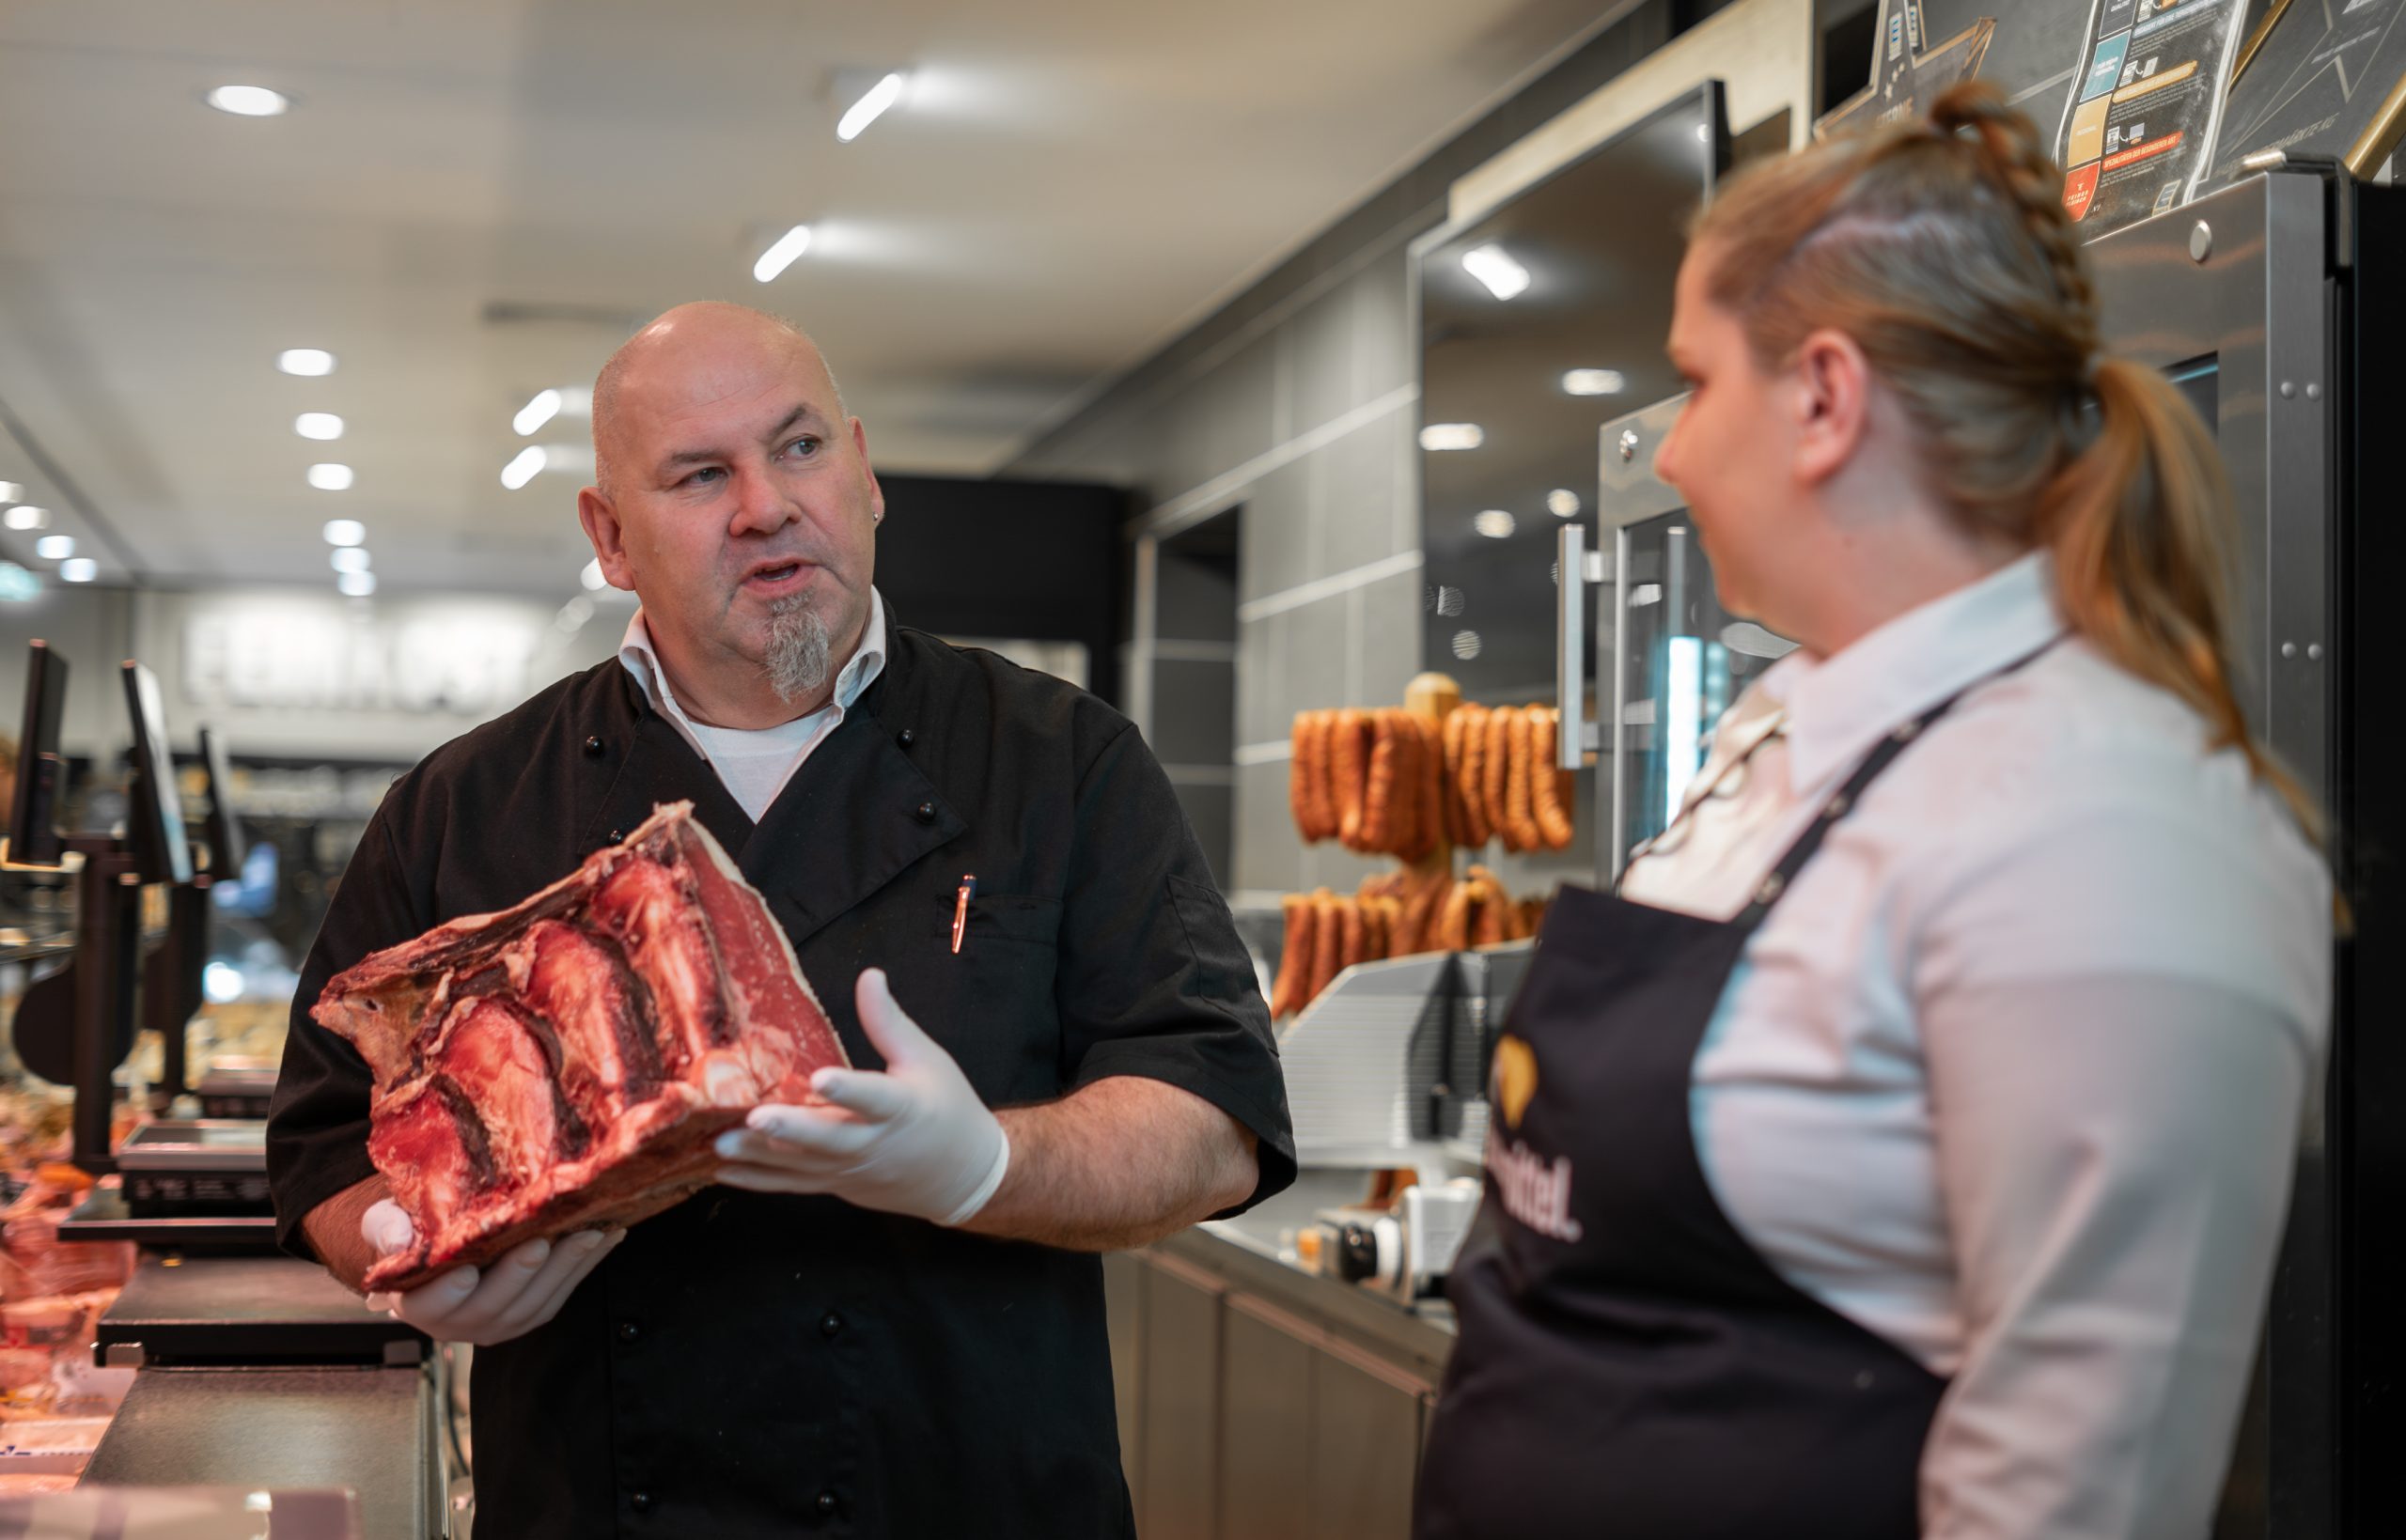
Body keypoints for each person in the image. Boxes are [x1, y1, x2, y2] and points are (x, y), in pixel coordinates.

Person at [1416, 84, 2329, 1540]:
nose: (1665, 453)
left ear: (1827, 399)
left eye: (1695, 383)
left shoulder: (2113, 830)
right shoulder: (1777, 739)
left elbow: (2072, 1495)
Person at [267, 302, 1295, 1537]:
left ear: (862, 472)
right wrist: (411, 1248)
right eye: (701, 475)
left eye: (800, 449)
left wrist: (982, 1167)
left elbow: (1214, 1118)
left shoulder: (1063, 762)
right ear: (610, 537)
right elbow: (329, 1145)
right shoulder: (463, 803)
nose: (765, 504)